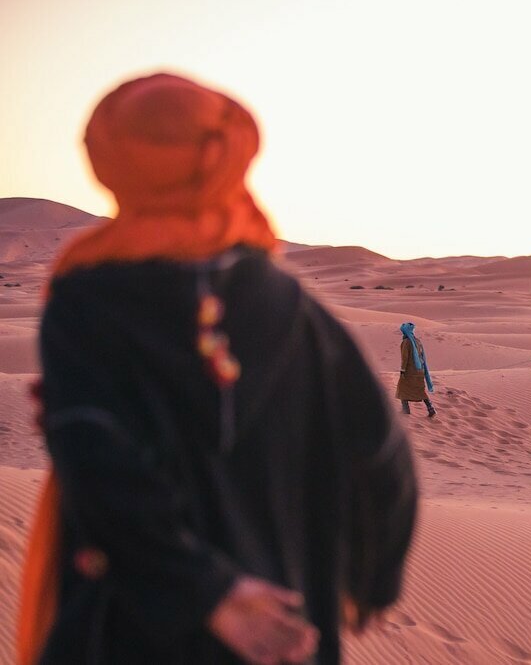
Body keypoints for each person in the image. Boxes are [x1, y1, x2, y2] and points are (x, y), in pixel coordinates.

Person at [17, 73, 417, 665]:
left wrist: (208, 593)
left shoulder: (86, 303)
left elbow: (95, 460)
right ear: (228, 157)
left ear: (112, 162)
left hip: (129, 631)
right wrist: (372, 582)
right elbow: (385, 461)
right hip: (285, 635)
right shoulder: (302, 316)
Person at [395, 322, 436, 417]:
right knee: (420, 390)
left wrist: (403, 370)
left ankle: (405, 410)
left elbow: (405, 357)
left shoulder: (406, 342)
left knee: (402, 388)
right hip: (420, 370)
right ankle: (431, 408)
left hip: (410, 370)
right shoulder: (418, 341)